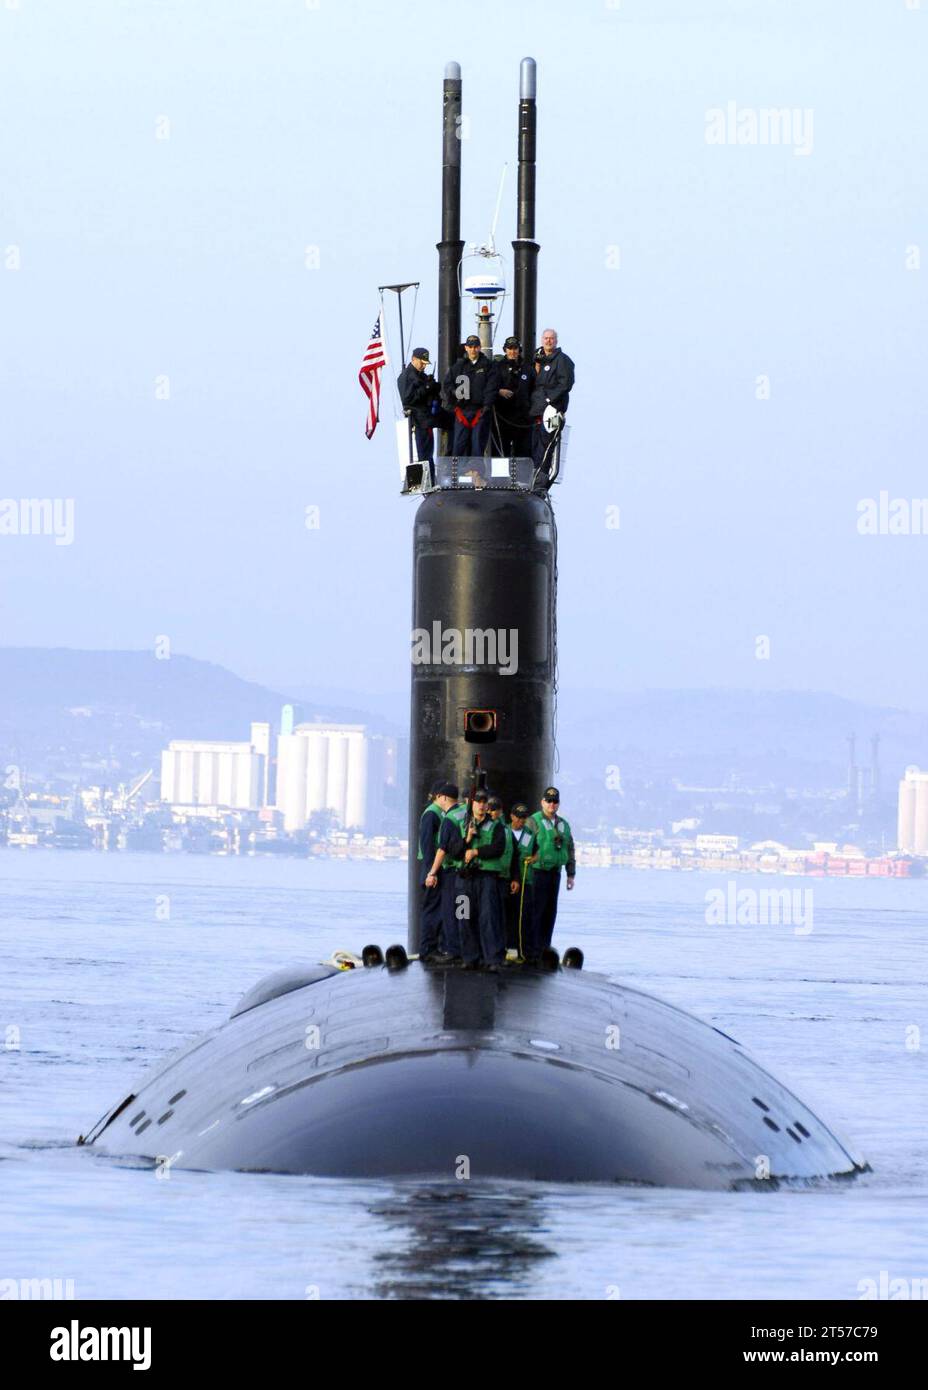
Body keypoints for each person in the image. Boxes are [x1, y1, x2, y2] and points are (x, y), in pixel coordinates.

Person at [456, 789, 507, 968]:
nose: (482, 805)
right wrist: (467, 839)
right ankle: (470, 958)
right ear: (471, 803)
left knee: (488, 918)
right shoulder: (460, 824)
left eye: (485, 802)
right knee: (464, 917)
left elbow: (498, 848)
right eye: (478, 801)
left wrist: (476, 851)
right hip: (464, 879)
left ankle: (492, 959)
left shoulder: (496, 826)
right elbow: (453, 850)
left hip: (486, 879)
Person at [528, 786, 576, 962]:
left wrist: (571, 874)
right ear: (542, 802)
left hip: (555, 874)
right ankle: (532, 950)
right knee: (536, 912)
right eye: (548, 801)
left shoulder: (563, 825)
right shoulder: (533, 821)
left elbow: (570, 848)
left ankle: (544, 948)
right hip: (537, 873)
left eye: (555, 801)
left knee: (550, 913)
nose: (552, 804)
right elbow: (525, 845)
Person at [417, 782, 459, 962]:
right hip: (432, 871)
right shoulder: (431, 814)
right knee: (432, 910)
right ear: (440, 797)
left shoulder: (443, 814)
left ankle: (441, 947)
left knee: (443, 910)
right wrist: (430, 874)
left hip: (442, 870)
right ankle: (427, 949)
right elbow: (427, 847)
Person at [424, 788, 467, 961]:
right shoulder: (466, 813)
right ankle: (467, 948)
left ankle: (453, 950)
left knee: (450, 911)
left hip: (452, 873)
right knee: (464, 912)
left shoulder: (449, 819)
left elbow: (442, 849)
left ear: (443, 798)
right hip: (469, 874)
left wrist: (432, 872)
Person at [529, 328, 575, 482]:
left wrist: (550, 400)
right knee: (535, 442)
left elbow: (565, 384)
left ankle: (541, 476)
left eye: (551, 338)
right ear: (542, 340)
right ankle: (534, 472)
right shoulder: (538, 360)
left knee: (547, 442)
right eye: (546, 338)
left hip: (552, 410)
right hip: (537, 409)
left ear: (556, 341)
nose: (548, 341)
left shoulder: (562, 360)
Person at [442, 335, 499, 457]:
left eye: (475, 347)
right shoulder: (458, 366)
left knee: (477, 446)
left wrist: (486, 405)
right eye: (470, 347)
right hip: (462, 412)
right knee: (458, 446)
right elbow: (447, 385)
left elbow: (492, 387)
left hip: (480, 412)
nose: (473, 350)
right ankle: (456, 474)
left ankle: (476, 474)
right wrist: (454, 394)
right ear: (466, 348)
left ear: (479, 348)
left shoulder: (488, 366)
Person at [397, 348, 441, 486]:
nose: (423, 366)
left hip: (426, 418)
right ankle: (427, 482)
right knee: (424, 453)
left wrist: (433, 387)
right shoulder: (406, 376)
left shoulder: (420, 375)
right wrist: (427, 388)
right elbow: (408, 399)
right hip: (419, 420)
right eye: (421, 363)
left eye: (425, 364)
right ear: (414, 359)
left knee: (428, 452)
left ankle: (431, 480)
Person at [488, 796, 521, 951]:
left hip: (503, 879)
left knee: (501, 915)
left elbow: (515, 855)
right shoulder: (484, 827)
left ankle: (501, 949)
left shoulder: (507, 830)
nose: (491, 812)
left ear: (500, 811)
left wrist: (515, 878)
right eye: (490, 809)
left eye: (494, 809)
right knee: (483, 915)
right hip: (487, 878)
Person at [506, 802, 537, 958]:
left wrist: (534, 858)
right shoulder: (503, 831)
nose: (521, 821)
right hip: (506, 879)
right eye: (519, 818)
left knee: (524, 916)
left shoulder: (528, 834)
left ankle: (523, 950)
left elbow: (536, 851)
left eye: (524, 818)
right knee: (507, 914)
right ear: (512, 816)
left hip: (525, 881)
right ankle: (508, 946)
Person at [493, 336, 533, 456]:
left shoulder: (527, 369)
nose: (512, 352)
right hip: (503, 416)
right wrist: (499, 391)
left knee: (523, 451)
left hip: (522, 417)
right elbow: (489, 387)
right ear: (505, 350)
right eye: (509, 348)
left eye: (515, 349)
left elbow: (534, 390)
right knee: (501, 451)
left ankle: (521, 475)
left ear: (519, 350)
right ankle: (500, 475)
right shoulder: (497, 367)